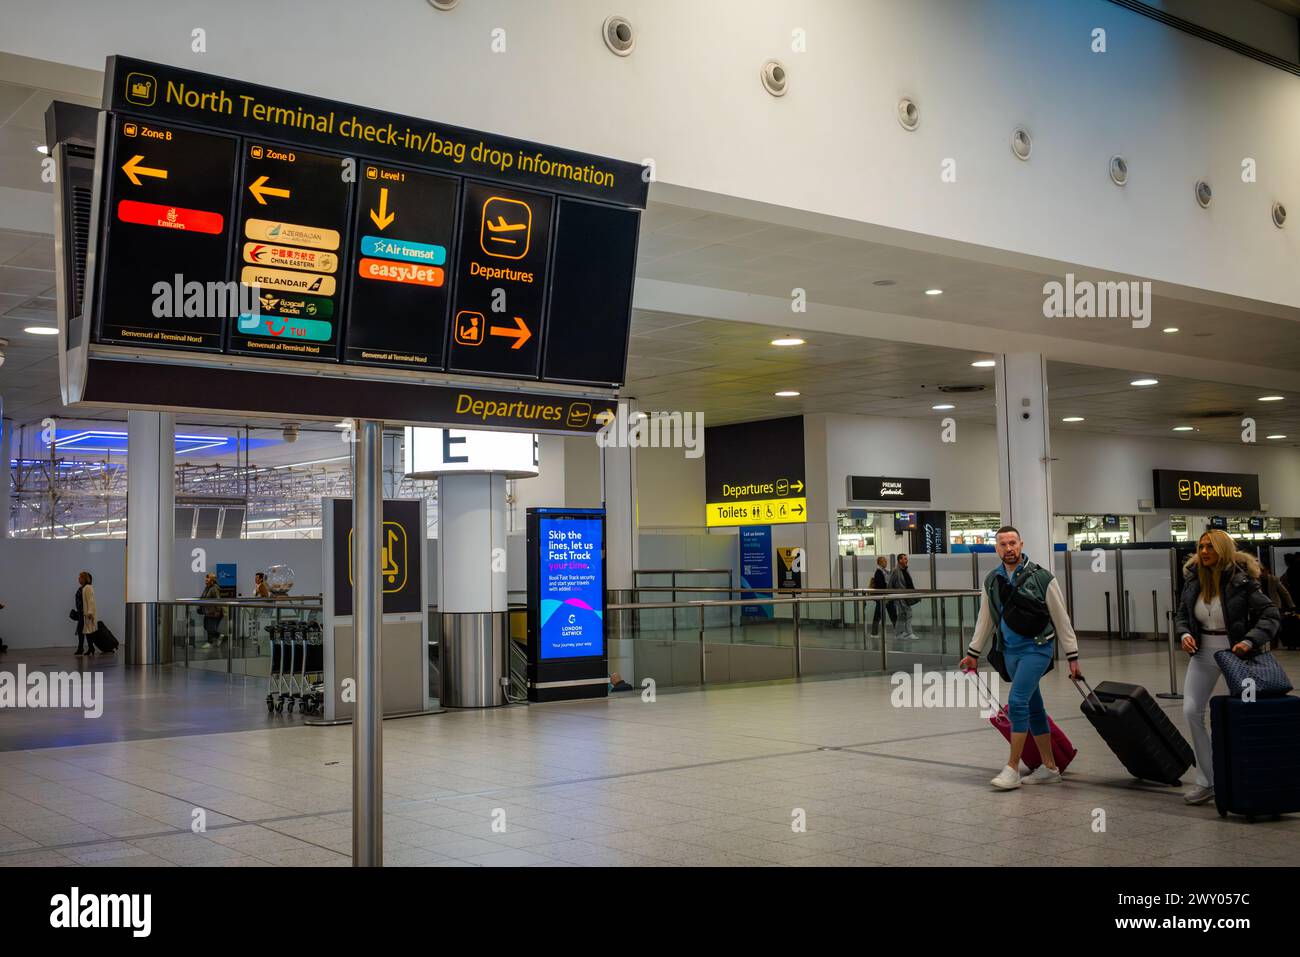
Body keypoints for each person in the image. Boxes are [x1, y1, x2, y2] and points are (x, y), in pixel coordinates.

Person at [959, 526, 1082, 790]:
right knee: (1034, 708)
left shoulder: (1042, 578)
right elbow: (986, 618)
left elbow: (1061, 619)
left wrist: (1072, 656)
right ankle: (1049, 768)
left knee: (1016, 702)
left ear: (1021, 544)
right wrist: (972, 653)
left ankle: (1012, 768)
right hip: (1010, 653)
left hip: (1037, 649)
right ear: (996, 548)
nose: (1008, 548)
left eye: (1013, 543)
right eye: (1003, 544)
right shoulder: (992, 580)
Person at [1175, 529, 1280, 806]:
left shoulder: (1242, 581)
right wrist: (1185, 634)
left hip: (1236, 656)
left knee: (1241, 716)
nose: (1204, 551)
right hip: (1202, 653)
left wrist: (1250, 640)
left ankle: (1251, 776)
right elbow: (1183, 615)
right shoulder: (1193, 579)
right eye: (1201, 546)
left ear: (1222, 550)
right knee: (1190, 710)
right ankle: (1206, 780)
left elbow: (1270, 614)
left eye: (1210, 547)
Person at [888, 553, 919, 641]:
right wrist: (891, 597)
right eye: (905, 559)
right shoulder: (895, 571)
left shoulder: (905, 570)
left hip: (907, 596)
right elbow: (890, 584)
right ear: (900, 560)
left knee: (902, 615)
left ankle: (899, 633)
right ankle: (908, 633)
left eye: (906, 558)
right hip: (900, 597)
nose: (906, 560)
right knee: (908, 613)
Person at [73, 571, 98, 657]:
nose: (78, 579)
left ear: (84, 579)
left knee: (85, 631)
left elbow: (90, 601)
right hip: (81, 613)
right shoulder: (82, 588)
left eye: (80, 577)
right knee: (84, 631)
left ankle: (87, 648)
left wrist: (90, 612)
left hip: (86, 614)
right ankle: (89, 648)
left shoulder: (88, 588)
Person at [199, 572, 224, 651]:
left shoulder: (214, 588)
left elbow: (218, 600)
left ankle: (211, 641)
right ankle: (217, 637)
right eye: (206, 578)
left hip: (214, 612)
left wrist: (217, 610)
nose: (206, 579)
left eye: (208, 578)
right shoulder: (207, 587)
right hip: (207, 612)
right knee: (206, 627)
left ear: (212, 580)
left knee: (210, 629)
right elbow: (203, 598)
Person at [870, 556, 892, 636]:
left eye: (886, 561)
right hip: (881, 597)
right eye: (883, 561)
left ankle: (898, 632)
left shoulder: (886, 571)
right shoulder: (879, 572)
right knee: (878, 615)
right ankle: (874, 633)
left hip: (886, 596)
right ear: (879, 563)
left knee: (892, 614)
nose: (885, 563)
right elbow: (880, 585)